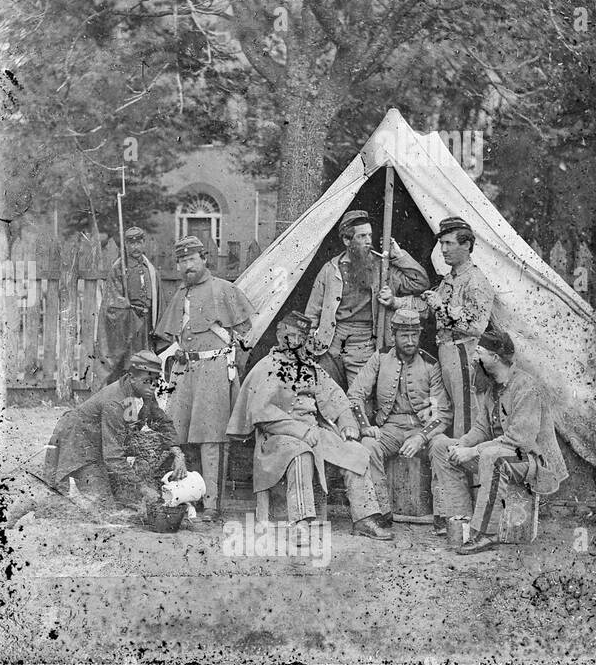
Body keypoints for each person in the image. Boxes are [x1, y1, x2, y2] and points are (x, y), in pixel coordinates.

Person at [227, 311, 393, 540]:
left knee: (355, 451)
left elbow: (336, 397)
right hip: (277, 437)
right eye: (289, 335)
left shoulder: (310, 367)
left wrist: (346, 422)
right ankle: (300, 523)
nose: (293, 341)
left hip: (314, 432)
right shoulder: (266, 366)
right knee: (300, 453)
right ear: (279, 334)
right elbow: (261, 412)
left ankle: (364, 518)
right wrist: (300, 431)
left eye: (299, 337)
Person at [427, 327, 568, 554]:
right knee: (441, 446)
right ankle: (463, 520)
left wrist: (474, 452)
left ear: (494, 357)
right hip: (502, 454)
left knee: (492, 457)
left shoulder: (526, 387)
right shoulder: (492, 386)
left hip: (533, 461)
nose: (474, 356)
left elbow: (518, 440)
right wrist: (462, 444)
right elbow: (482, 427)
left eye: (479, 351)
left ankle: (486, 533)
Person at [5, 350, 184, 528]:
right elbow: (113, 458)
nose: (152, 386)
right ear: (131, 377)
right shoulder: (114, 402)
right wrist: (143, 487)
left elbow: (162, 422)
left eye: (155, 381)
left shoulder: (143, 391)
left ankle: (122, 495)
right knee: (103, 513)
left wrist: (178, 454)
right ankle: (35, 503)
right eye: (147, 381)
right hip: (78, 444)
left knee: (151, 444)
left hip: (101, 443)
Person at [153, 235, 254, 512]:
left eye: (192, 259)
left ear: (204, 259)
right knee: (178, 435)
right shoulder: (179, 295)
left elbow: (246, 336)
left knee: (212, 439)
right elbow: (168, 337)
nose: (187, 265)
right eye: (182, 261)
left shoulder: (224, 289)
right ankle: (185, 498)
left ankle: (212, 506)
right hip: (185, 371)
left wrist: (231, 369)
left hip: (215, 371)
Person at [346, 308, 452, 527]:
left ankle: (444, 514)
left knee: (441, 444)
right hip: (390, 428)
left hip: (422, 428)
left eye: (414, 335)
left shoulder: (431, 364)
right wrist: (366, 427)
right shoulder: (381, 357)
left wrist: (421, 438)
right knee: (368, 446)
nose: (410, 341)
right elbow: (355, 394)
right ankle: (380, 512)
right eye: (404, 335)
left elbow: (442, 413)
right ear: (393, 335)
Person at [304, 209, 429, 391]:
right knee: (327, 398)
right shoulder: (330, 270)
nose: (369, 241)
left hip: (363, 345)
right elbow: (313, 311)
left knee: (360, 398)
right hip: (330, 344)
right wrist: (310, 343)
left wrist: (398, 256)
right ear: (347, 240)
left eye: (370, 235)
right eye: (362, 236)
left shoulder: (381, 268)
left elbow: (420, 282)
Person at [418, 217, 497, 445]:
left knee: (468, 416)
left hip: (464, 353)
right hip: (447, 353)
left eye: (449, 243)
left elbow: (476, 326)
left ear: (467, 245)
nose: (443, 249)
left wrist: (441, 307)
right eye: (441, 243)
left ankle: (470, 473)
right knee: (452, 412)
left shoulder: (476, 280)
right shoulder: (450, 279)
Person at [105, 226, 161, 364]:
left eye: (138, 243)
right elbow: (112, 298)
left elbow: (158, 298)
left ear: (143, 243)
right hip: (129, 322)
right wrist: (124, 305)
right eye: (131, 243)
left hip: (148, 322)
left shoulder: (150, 268)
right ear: (126, 244)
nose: (135, 247)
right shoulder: (119, 268)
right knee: (130, 362)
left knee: (147, 360)